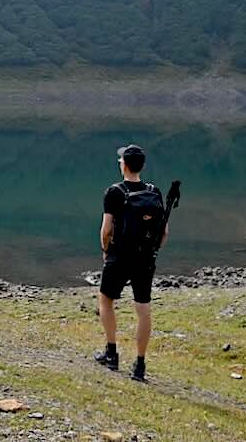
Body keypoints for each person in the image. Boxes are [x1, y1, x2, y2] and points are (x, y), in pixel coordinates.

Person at [94, 144, 167, 382]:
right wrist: (152, 250)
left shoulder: (114, 192)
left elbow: (106, 230)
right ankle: (140, 365)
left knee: (106, 300)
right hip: (145, 258)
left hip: (120, 255)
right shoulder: (154, 192)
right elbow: (163, 232)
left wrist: (106, 251)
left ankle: (111, 352)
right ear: (141, 166)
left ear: (124, 165)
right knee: (143, 309)